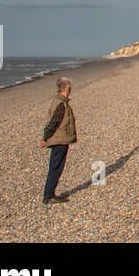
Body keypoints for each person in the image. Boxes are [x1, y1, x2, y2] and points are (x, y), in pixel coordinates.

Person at [39, 76, 77, 205]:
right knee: (55, 167)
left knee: (56, 167)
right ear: (66, 89)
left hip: (61, 139)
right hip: (59, 140)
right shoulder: (61, 104)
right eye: (69, 88)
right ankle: (48, 195)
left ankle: (50, 193)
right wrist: (45, 139)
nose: (70, 90)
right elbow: (53, 123)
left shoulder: (61, 101)